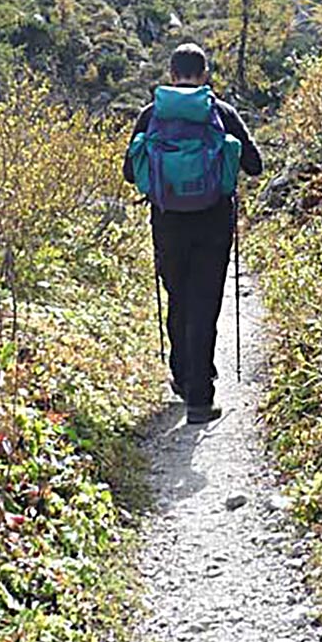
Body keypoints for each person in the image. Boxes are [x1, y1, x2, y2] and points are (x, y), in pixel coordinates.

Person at [124, 43, 263, 424]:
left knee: (178, 297)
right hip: (213, 222)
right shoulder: (221, 112)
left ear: (172, 75)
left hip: (168, 222)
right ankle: (200, 398)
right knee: (204, 304)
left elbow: (128, 172)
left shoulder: (152, 114)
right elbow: (255, 165)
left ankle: (183, 374)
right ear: (204, 75)